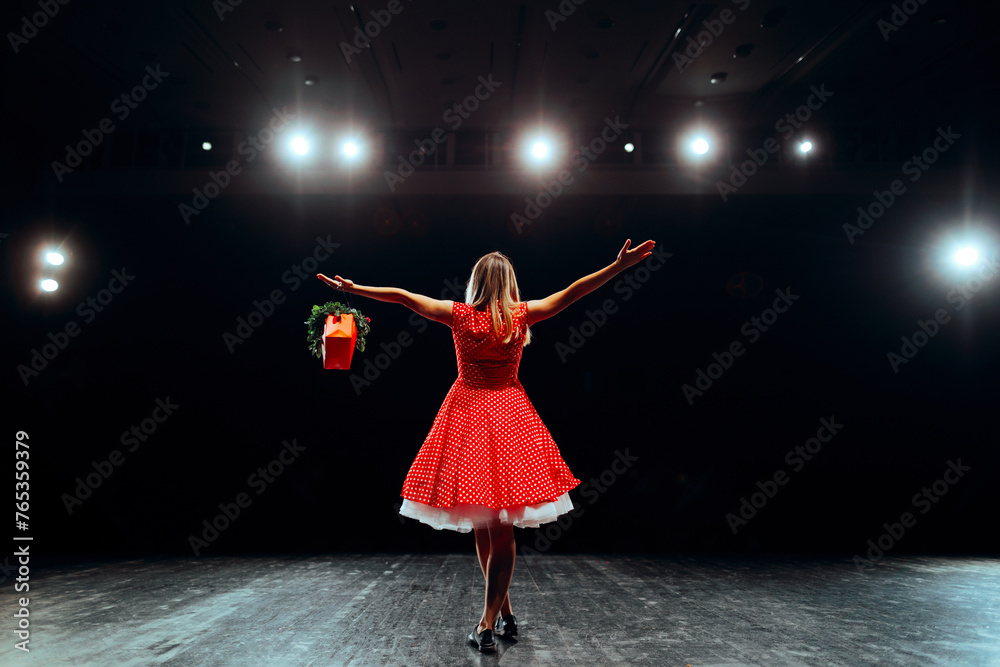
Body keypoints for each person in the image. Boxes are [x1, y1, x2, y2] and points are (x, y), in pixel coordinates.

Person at [317, 237, 655, 653]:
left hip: (468, 415)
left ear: (476, 283)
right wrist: (618, 267)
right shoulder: (521, 315)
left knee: (496, 526)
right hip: (509, 415)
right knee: (490, 523)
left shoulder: (458, 316)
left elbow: (404, 298)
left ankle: (486, 623)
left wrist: (354, 290)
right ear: (509, 283)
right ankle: (505, 613)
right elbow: (574, 292)